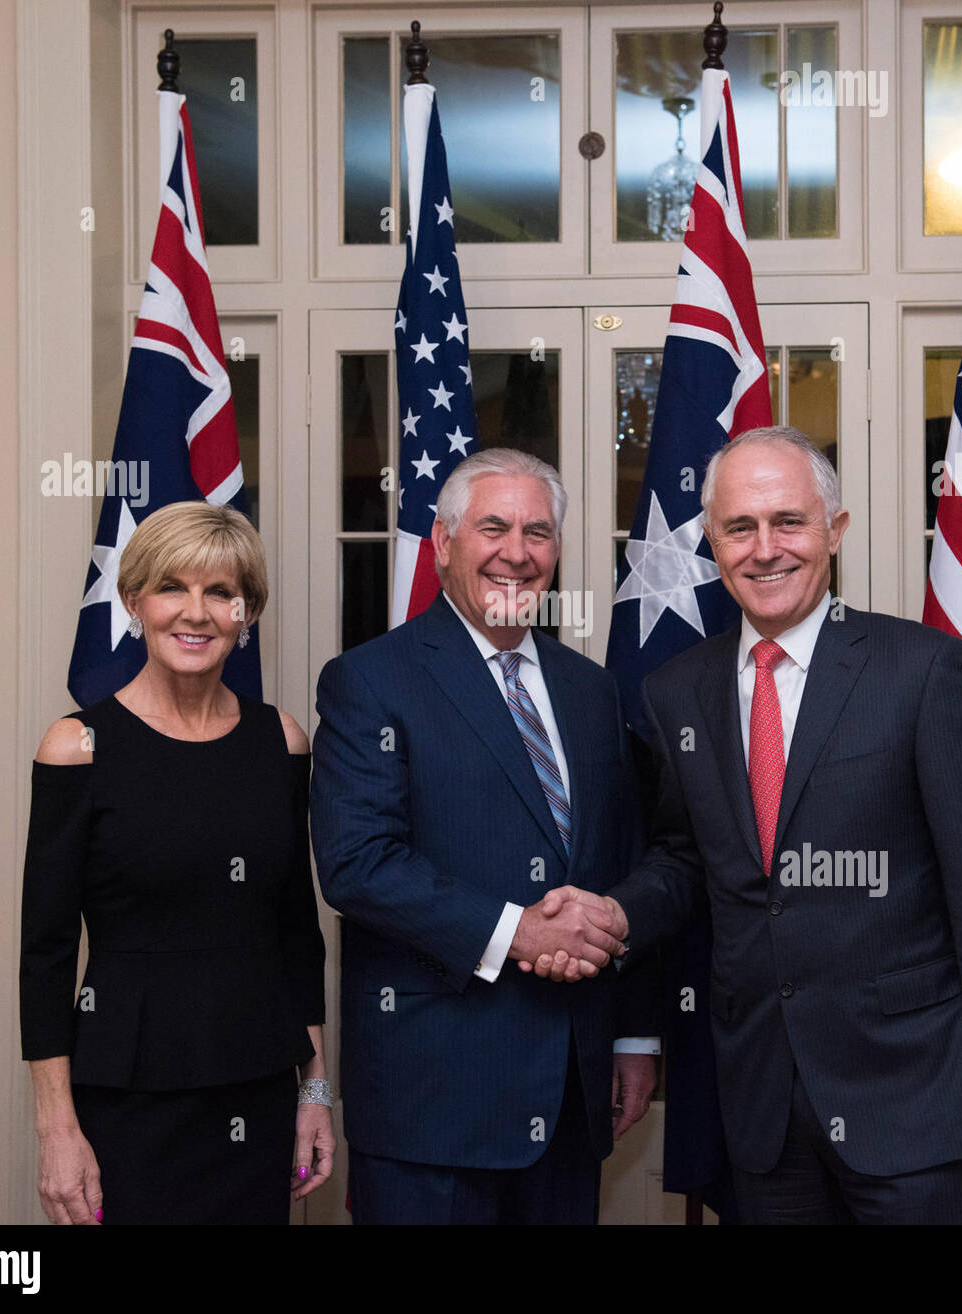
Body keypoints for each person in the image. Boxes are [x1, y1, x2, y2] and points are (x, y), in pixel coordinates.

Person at [526, 426, 962, 1225]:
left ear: (834, 531)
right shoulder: (678, 692)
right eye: (740, 527)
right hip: (761, 1106)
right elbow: (685, 856)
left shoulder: (922, 671)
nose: (765, 548)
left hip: (912, 1100)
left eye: (789, 522)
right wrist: (618, 913)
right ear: (712, 541)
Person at [310, 448, 659, 1225]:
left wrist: (633, 1034)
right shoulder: (370, 682)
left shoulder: (589, 688)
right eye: (493, 527)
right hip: (431, 1107)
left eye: (538, 532)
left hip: (571, 1097)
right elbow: (357, 865)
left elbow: (623, 859)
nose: (517, 552)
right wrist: (518, 934)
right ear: (442, 543)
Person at [19, 501, 333, 1224]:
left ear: (245, 612)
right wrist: (57, 1129)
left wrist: (314, 1091)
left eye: (221, 592)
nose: (196, 613)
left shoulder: (279, 741)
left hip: (257, 1089)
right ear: (134, 602)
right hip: (127, 1101)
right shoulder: (76, 746)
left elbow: (296, 935)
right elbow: (46, 955)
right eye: (172, 588)